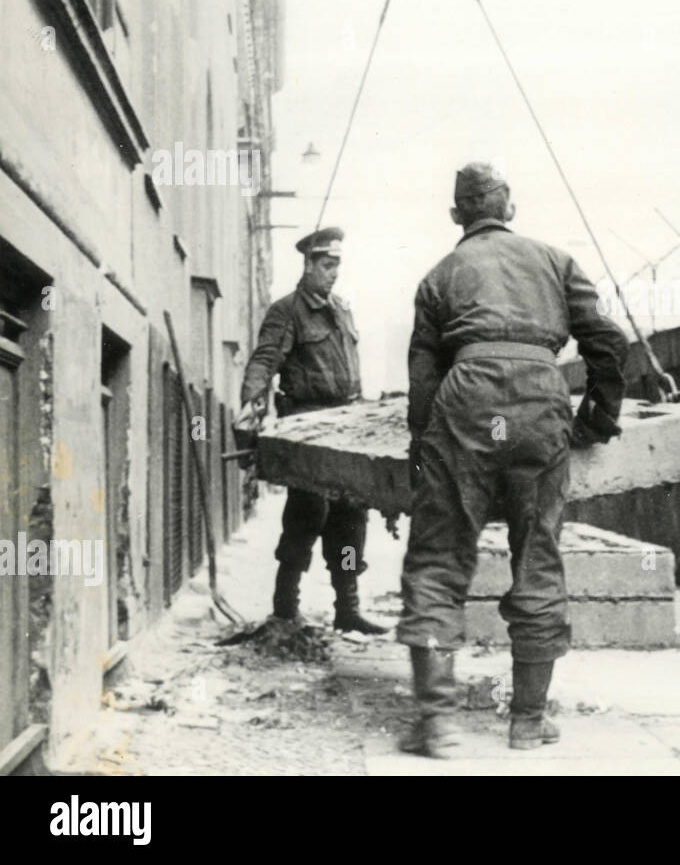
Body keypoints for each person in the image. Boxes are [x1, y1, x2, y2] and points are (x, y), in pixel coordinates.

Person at [399, 162, 628, 756]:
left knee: (438, 558)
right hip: (540, 398)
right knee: (539, 554)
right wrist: (598, 417)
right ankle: (528, 721)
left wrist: (423, 450)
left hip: (466, 398)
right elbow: (607, 341)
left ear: (457, 216)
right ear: (511, 209)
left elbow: (423, 379)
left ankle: (438, 726)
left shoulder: (438, 275)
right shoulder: (555, 260)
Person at [238, 227, 387, 635]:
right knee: (307, 514)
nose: (333, 273)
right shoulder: (286, 312)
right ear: (307, 265)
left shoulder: (341, 310)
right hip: (308, 427)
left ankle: (348, 609)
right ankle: (285, 609)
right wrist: (252, 403)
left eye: (337, 264)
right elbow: (265, 360)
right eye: (326, 265)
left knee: (352, 517)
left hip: (347, 427)